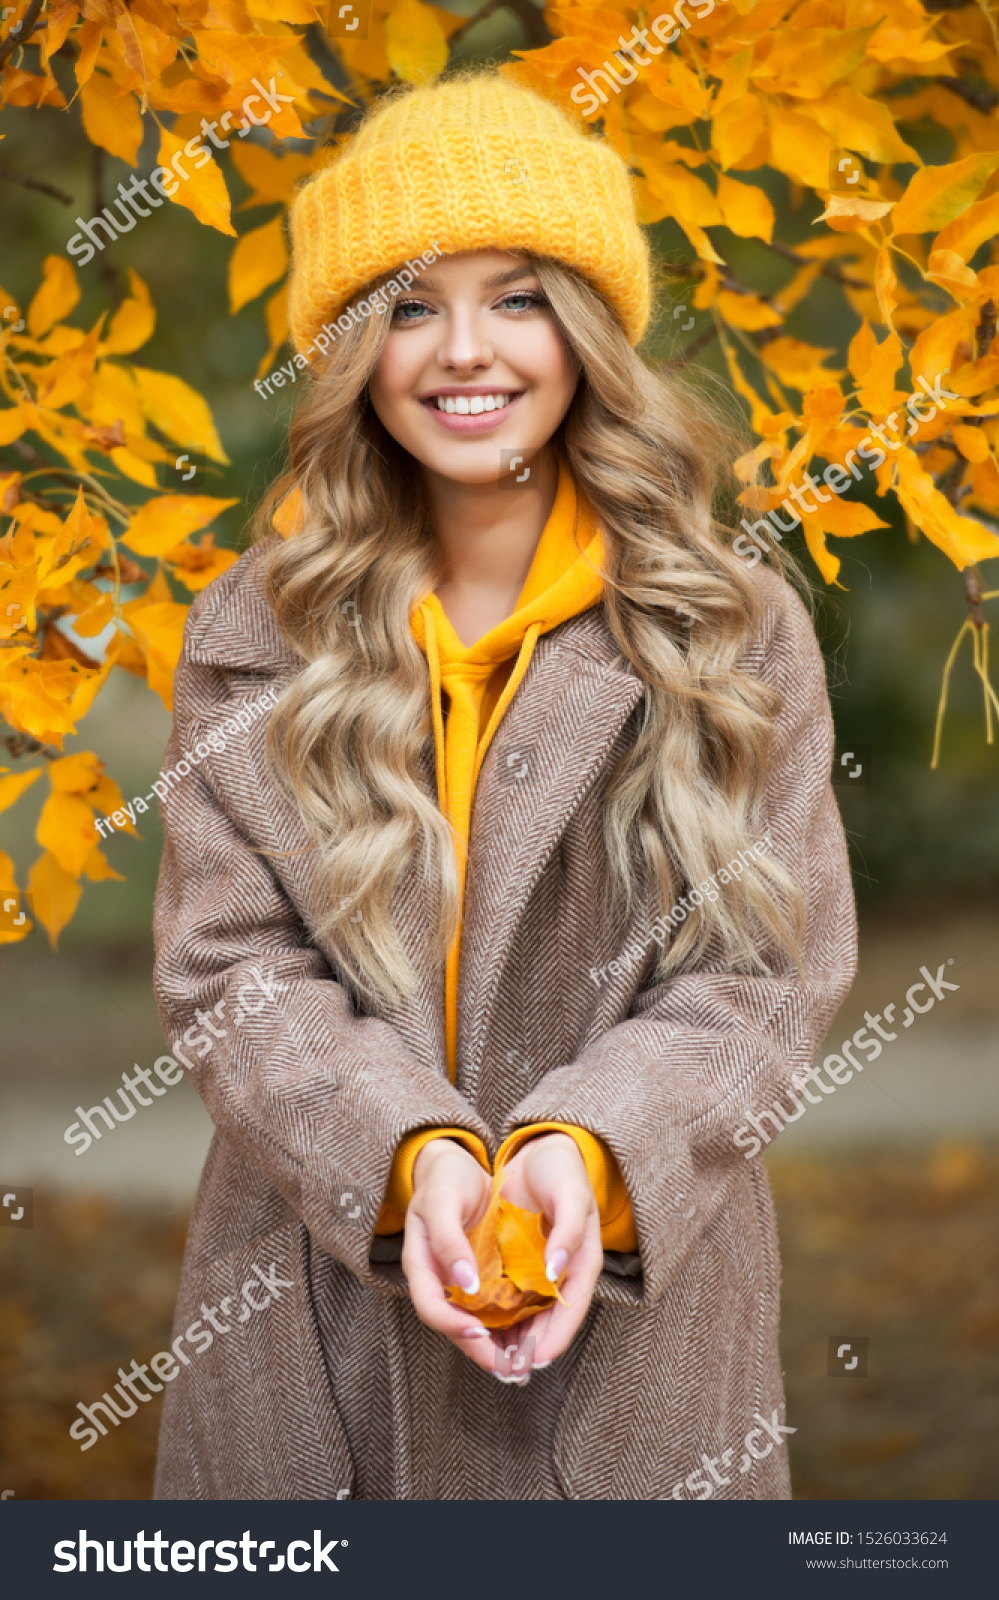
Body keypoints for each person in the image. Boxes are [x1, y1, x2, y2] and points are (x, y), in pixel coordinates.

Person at [152, 71, 856, 1501]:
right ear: (352, 347)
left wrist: (587, 1158)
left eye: (520, 296)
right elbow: (229, 970)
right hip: (308, 1338)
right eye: (410, 305)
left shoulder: (731, 627)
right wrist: (404, 1164)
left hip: (641, 1362)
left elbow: (763, 977)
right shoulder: (251, 631)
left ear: (589, 329)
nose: (463, 352)